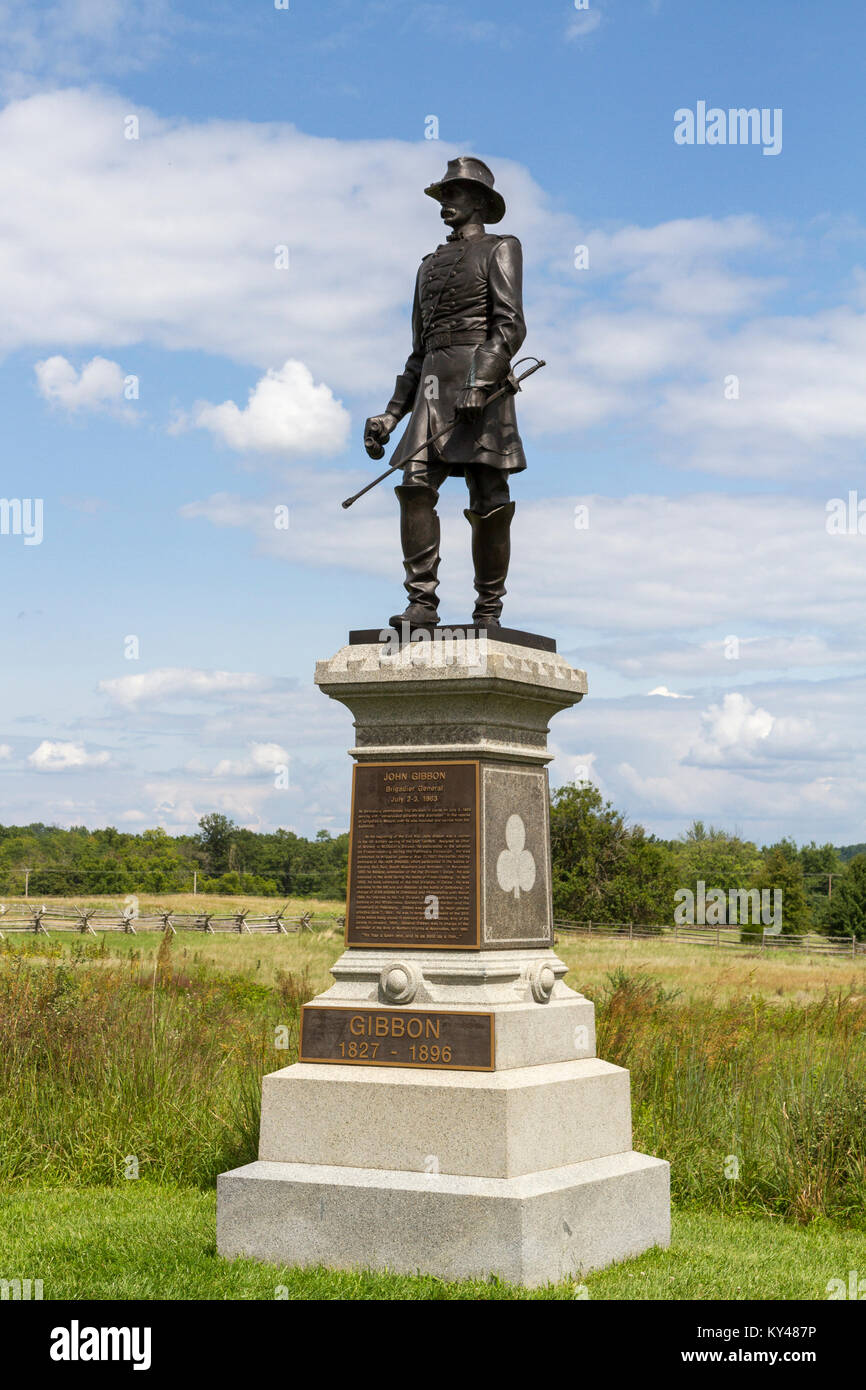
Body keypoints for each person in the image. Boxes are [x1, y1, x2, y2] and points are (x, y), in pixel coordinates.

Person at [364, 156, 527, 629]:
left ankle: (488, 610)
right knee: (414, 486)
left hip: (481, 386)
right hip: (431, 391)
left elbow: (510, 325)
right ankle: (422, 605)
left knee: (489, 497)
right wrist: (391, 415)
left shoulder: (502, 247)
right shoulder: (428, 266)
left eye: (453, 195)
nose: (444, 206)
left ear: (478, 201)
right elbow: (419, 351)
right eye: (442, 197)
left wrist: (481, 381)